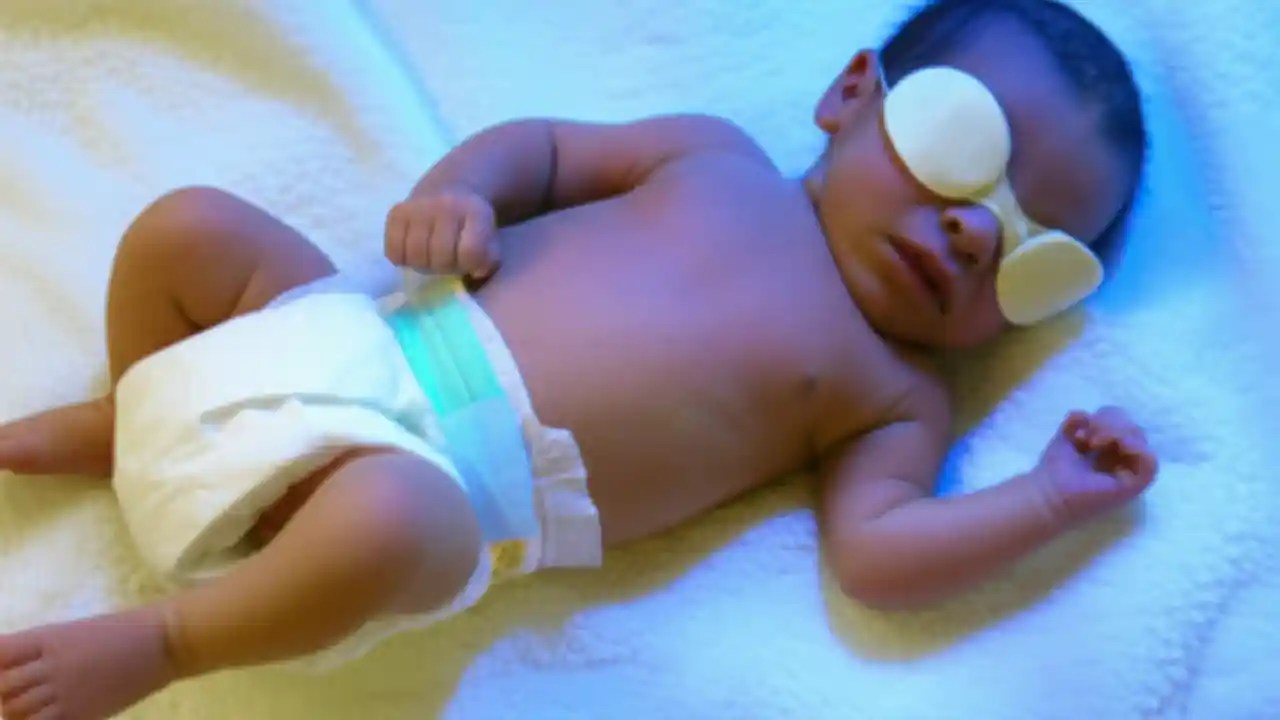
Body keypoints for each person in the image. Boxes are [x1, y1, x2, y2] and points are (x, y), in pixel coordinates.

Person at [0, 1, 1154, 717]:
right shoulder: (714, 156)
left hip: (429, 497)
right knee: (186, 229)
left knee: (394, 518)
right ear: (851, 94)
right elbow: (547, 151)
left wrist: (1047, 499)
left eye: (1028, 246)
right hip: (352, 330)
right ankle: (138, 410)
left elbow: (879, 554)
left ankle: (162, 641)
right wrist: (461, 190)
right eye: (960, 149)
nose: (968, 231)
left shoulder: (895, 395)